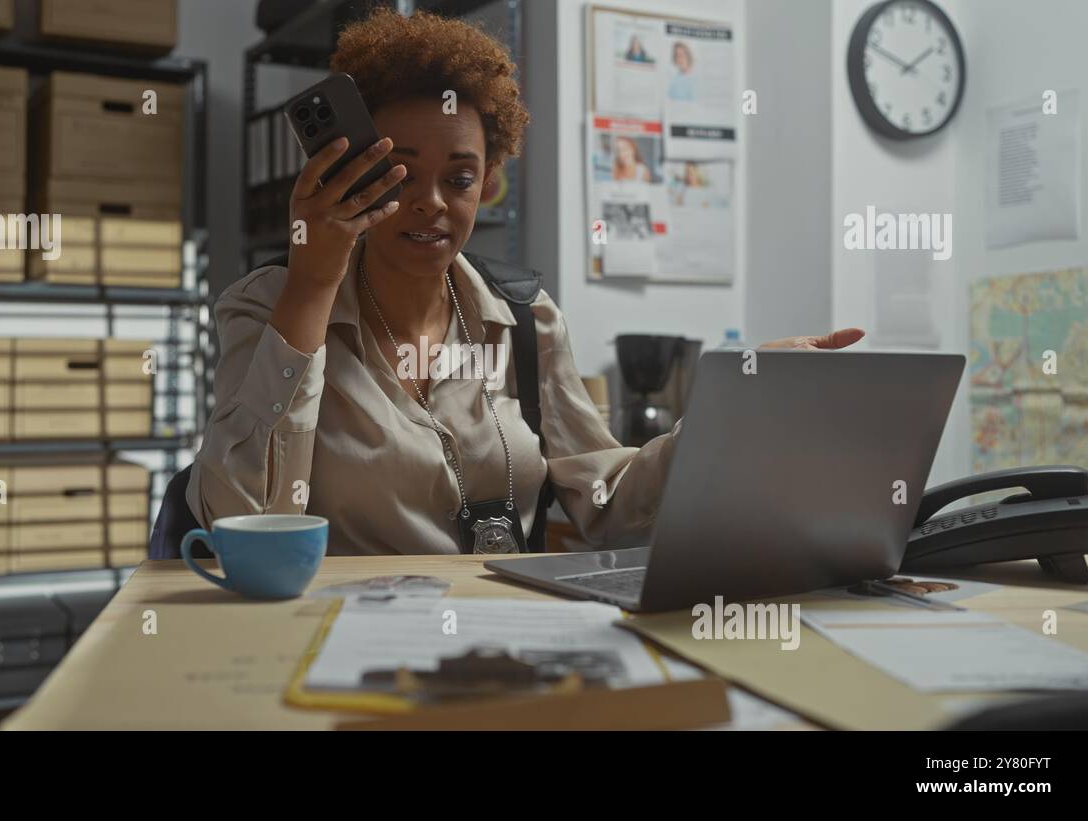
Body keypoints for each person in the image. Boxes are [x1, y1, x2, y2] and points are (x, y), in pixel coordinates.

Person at [188, 8, 864, 555]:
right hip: (341, 657)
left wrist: (737, 401)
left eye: (457, 178)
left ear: (488, 181)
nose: (431, 203)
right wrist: (311, 286)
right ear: (354, 172)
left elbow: (610, 503)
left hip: (503, 653)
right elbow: (240, 520)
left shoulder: (525, 318)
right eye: (400, 172)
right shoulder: (268, 306)